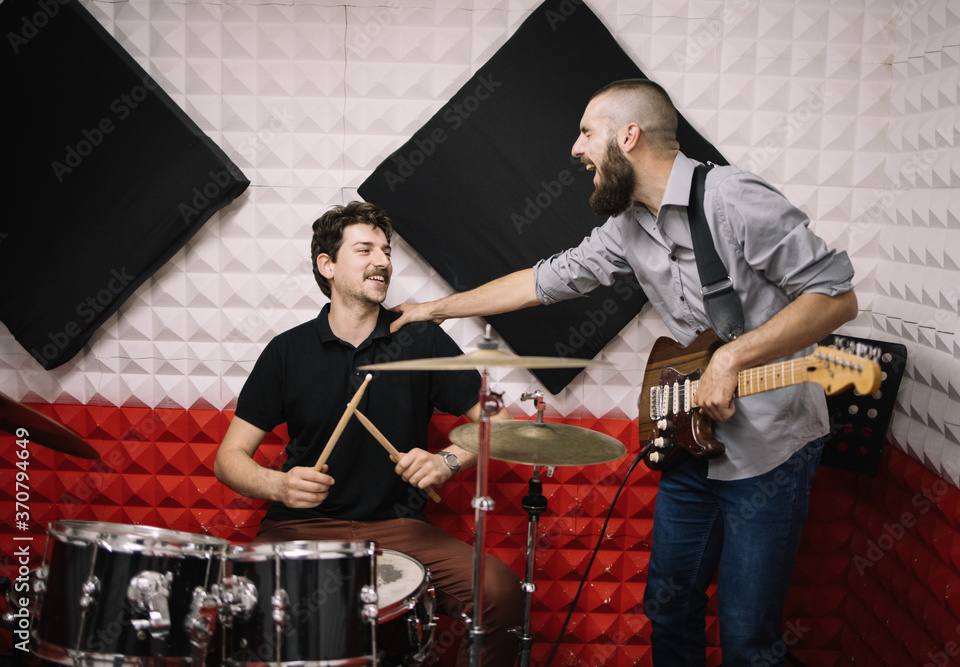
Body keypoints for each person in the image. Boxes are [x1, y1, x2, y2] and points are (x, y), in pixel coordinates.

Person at [390, 79, 858, 666]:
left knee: (747, 642)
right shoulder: (628, 226)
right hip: (692, 443)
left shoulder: (735, 199)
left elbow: (836, 298)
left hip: (772, 451)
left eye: (588, 132)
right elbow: (543, 281)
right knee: (669, 608)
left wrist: (734, 358)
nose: (575, 149)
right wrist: (433, 308)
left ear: (629, 136)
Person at [214, 201, 521, 667]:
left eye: (386, 250)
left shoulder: (419, 340)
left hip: (399, 527)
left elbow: (500, 425)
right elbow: (229, 458)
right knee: (236, 604)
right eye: (364, 250)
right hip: (302, 527)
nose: (382, 261)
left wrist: (445, 462)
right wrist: (279, 484)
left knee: (499, 591)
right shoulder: (287, 351)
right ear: (328, 265)